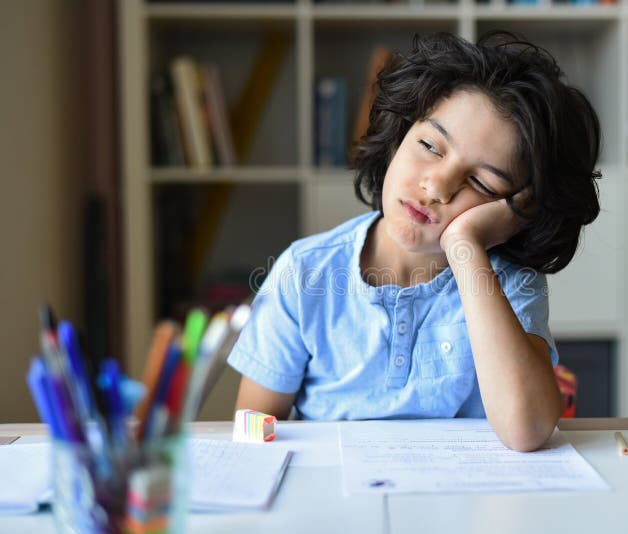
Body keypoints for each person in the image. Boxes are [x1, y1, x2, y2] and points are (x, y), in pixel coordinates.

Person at [229, 30, 601, 451]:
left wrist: (464, 245)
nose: (437, 185)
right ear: (399, 134)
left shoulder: (509, 282)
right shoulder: (305, 271)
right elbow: (253, 431)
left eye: (480, 181)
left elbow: (527, 431)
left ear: (516, 212)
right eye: (429, 145)